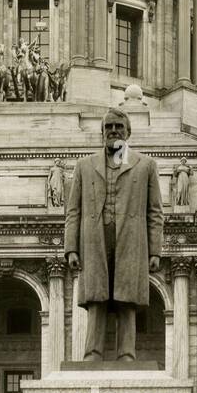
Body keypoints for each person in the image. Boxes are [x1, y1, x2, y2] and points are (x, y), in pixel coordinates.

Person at [64, 109, 162, 361]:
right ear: (102, 133)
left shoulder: (146, 165)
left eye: (119, 126)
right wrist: (71, 248)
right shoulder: (84, 166)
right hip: (95, 239)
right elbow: (73, 210)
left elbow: (155, 211)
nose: (114, 131)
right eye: (109, 127)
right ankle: (92, 352)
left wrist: (155, 251)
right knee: (96, 297)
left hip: (130, 239)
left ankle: (126, 353)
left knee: (126, 298)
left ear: (128, 132)